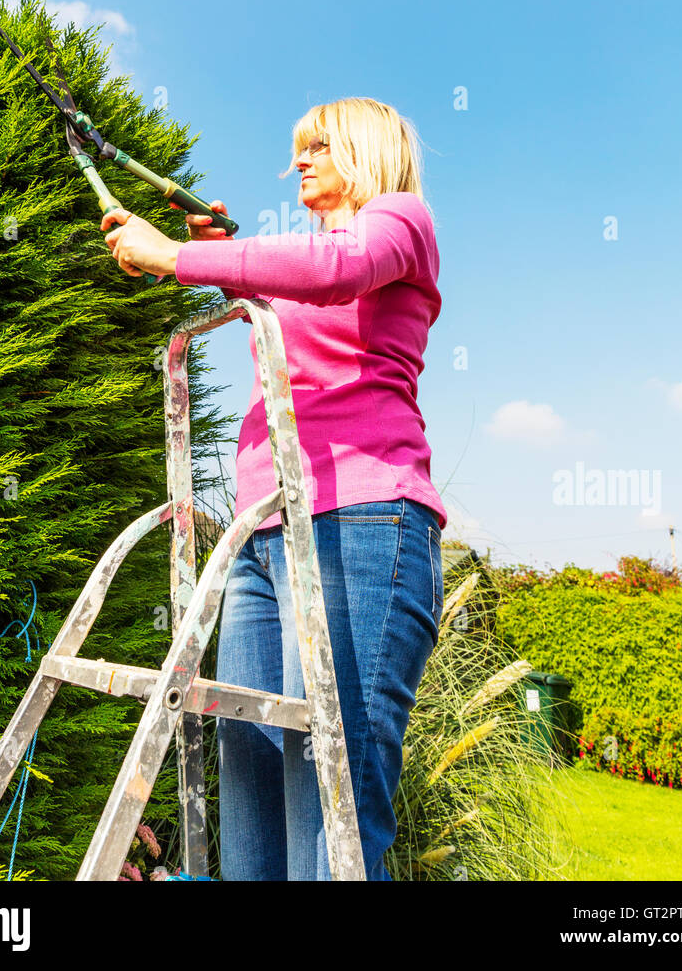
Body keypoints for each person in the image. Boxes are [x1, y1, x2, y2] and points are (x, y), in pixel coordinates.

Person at [101, 96, 446, 880]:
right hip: (260, 535)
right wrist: (222, 253)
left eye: (317, 144)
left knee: (330, 817)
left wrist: (177, 259)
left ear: (366, 147)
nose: (298, 161)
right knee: (251, 780)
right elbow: (285, 295)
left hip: (357, 524)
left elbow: (336, 271)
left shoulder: (399, 222)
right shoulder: (319, 262)